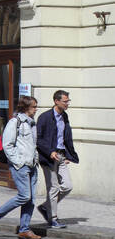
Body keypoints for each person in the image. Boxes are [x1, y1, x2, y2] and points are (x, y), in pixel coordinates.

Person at [0, 96, 42, 239]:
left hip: (32, 165)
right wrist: (19, 161)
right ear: (26, 107)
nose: (36, 109)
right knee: (24, 196)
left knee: (30, 199)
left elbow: (33, 144)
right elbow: (7, 145)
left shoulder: (32, 124)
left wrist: (35, 159)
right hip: (21, 166)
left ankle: (24, 229)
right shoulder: (15, 122)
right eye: (34, 106)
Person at [36, 90, 78, 230]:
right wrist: (50, 152)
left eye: (68, 101)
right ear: (56, 101)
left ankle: (45, 207)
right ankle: (53, 218)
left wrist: (68, 155)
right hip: (48, 158)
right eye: (65, 101)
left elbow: (66, 138)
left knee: (67, 186)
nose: (68, 103)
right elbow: (39, 139)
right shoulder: (44, 117)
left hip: (61, 156)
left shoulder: (64, 116)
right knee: (53, 188)